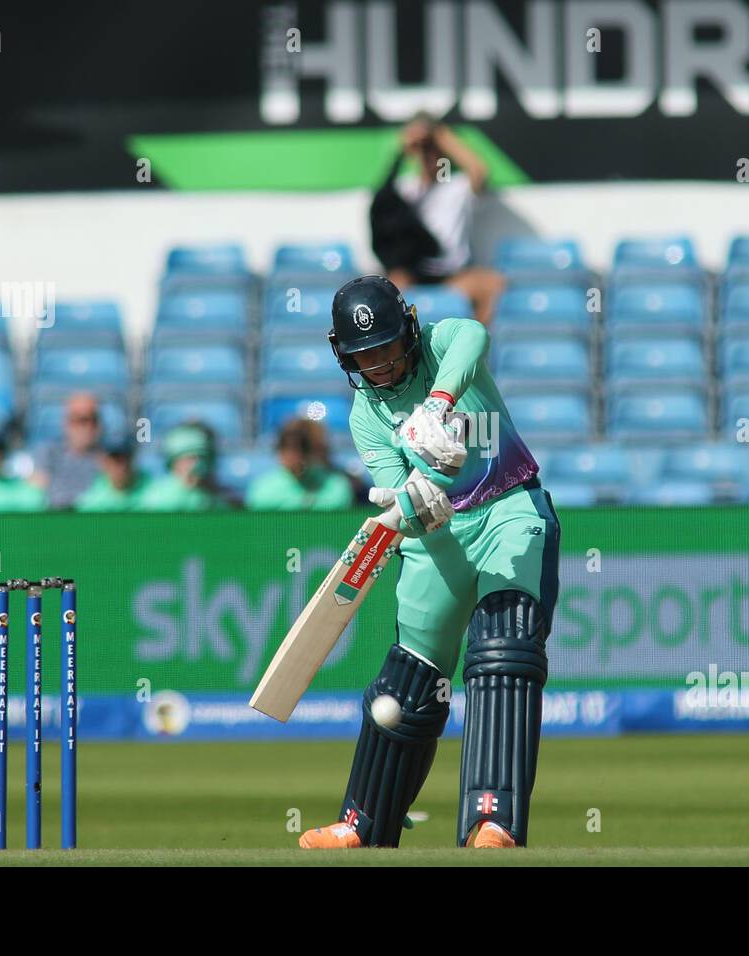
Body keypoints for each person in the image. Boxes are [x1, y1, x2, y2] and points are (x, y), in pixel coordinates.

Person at [298, 275, 560, 851]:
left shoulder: (443, 343)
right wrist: (411, 505)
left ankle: (492, 821)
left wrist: (438, 405)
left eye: (389, 348)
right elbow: (401, 499)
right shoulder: (366, 417)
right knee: (408, 685)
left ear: (410, 331)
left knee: (503, 651)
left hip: (508, 509)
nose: (383, 366)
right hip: (437, 540)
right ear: (344, 356)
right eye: (366, 357)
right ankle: (363, 826)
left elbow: (475, 334)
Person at [374, 112, 505, 326]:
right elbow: (380, 205)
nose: (428, 156)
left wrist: (439, 134)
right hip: (412, 275)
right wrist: (405, 148)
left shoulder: (457, 187)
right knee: (386, 290)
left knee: (493, 285)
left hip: (453, 276)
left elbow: (479, 171)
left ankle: (474, 345)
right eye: (423, 150)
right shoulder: (405, 188)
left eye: (433, 150)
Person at [245, 418, 355, 511]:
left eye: (302, 447)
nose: (294, 456)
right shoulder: (263, 487)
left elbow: (340, 499)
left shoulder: (336, 484)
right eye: (287, 448)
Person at [30, 392, 104, 509]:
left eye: (91, 419)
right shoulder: (48, 454)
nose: (85, 427)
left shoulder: (112, 457)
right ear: (66, 422)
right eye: (79, 419)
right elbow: (37, 490)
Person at [134, 422, 224, 511]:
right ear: (173, 462)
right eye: (187, 459)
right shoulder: (154, 501)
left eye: (199, 458)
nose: (194, 465)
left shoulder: (218, 501)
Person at [74, 433, 150, 511]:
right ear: (103, 461)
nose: (122, 465)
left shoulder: (154, 495)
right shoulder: (91, 504)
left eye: (126, 458)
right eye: (115, 459)